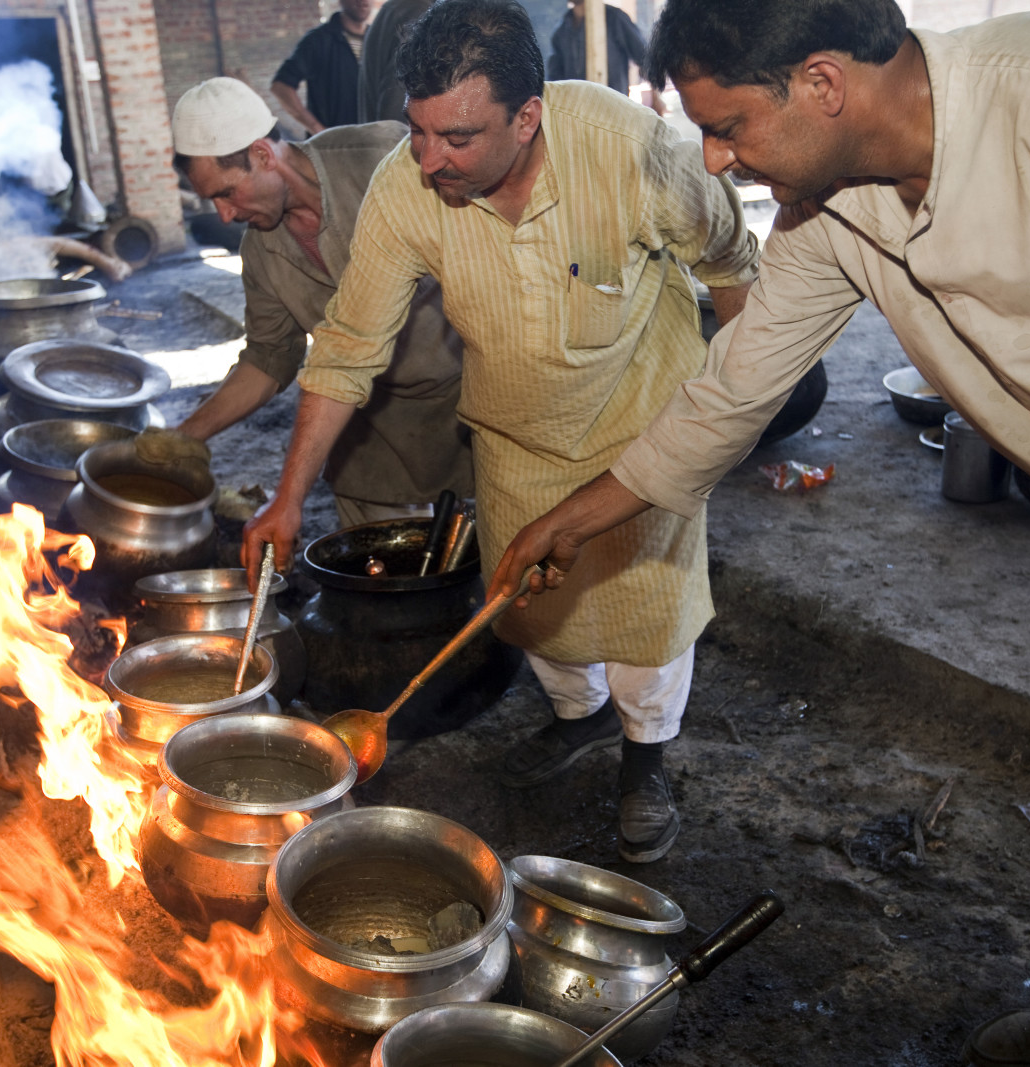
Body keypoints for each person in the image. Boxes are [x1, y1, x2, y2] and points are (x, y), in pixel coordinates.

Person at [488, 0, 1030, 1063]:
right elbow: (731, 392)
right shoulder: (835, 214)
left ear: (823, 83)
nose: (716, 160)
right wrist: (577, 517)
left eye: (727, 126)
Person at [243, 0, 758, 863]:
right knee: (532, 607)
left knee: (647, 619)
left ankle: (645, 757)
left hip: (641, 435)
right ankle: (580, 717)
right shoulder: (407, 186)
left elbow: (733, 263)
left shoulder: (632, 150)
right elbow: (348, 345)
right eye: (418, 131)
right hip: (514, 441)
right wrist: (289, 498)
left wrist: (732, 412)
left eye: (457, 137)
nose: (428, 158)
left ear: (528, 118)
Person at [170, 77, 473, 528]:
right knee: (380, 564)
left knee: (490, 555)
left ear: (263, 154)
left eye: (226, 192)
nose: (225, 215)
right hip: (369, 427)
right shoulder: (261, 252)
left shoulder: (382, 157)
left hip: (467, 404)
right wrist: (184, 437)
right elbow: (269, 358)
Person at [271, 0, 374, 134]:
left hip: (373, 139)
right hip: (333, 143)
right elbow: (281, 87)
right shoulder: (318, 40)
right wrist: (317, 129)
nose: (363, 1)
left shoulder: (378, 39)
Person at [545, 0, 663, 113]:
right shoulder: (561, 32)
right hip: (579, 114)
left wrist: (655, 97)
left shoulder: (614, 19)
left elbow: (644, 57)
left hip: (614, 109)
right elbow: (554, 79)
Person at [358, 0, 433, 124]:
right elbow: (397, 101)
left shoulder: (397, 8)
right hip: (394, 132)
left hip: (380, 131)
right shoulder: (417, 11)